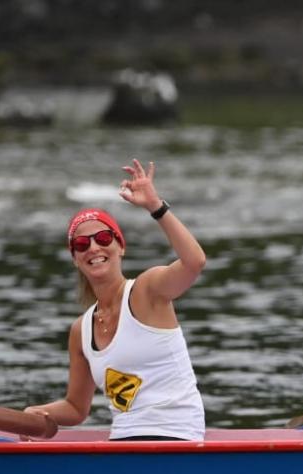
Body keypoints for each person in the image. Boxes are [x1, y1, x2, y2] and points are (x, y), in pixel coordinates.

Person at [25, 159, 207, 440]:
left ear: (120, 246)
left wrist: (155, 207)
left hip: (177, 436)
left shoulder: (148, 290)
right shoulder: (80, 331)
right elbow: (75, 408)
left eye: (103, 237)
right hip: (124, 440)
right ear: (75, 259)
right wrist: (35, 412)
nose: (94, 247)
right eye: (82, 244)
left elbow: (195, 262)